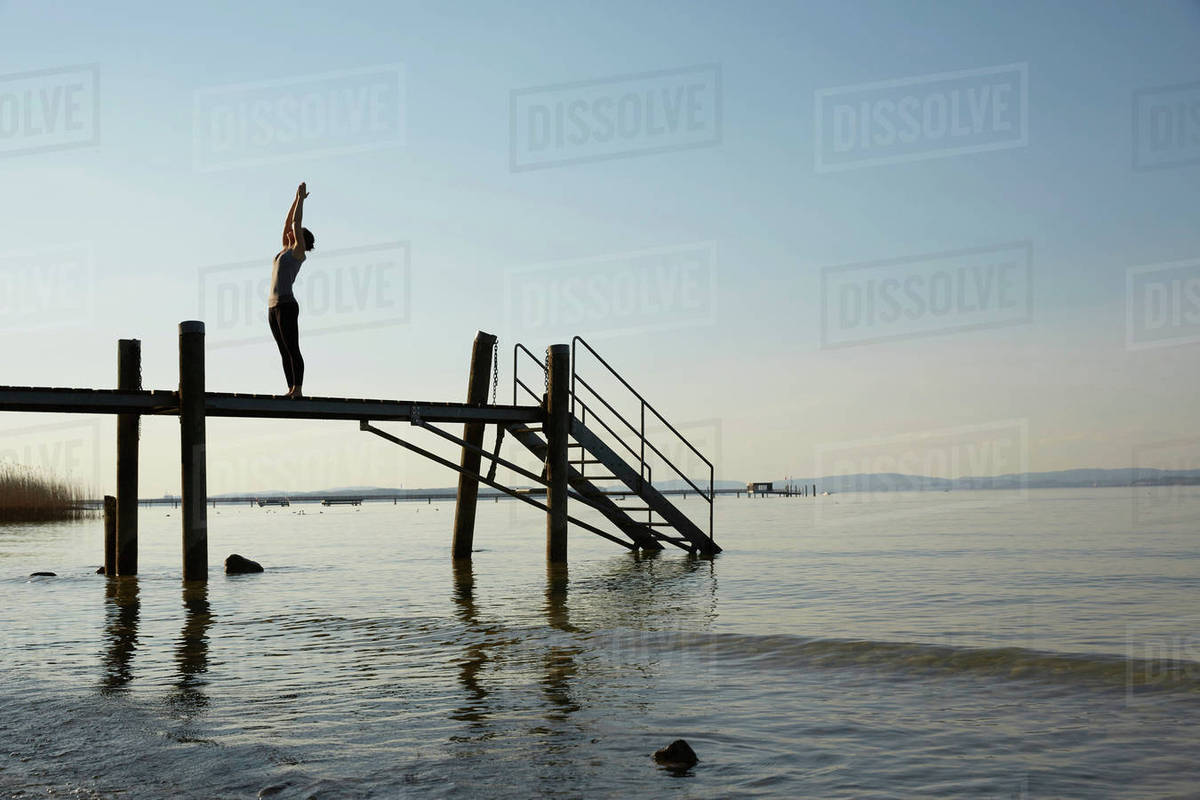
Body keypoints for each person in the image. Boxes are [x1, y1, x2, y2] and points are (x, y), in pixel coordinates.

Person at [269, 182, 313, 398]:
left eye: (296, 235)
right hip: (273, 307)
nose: (290, 234)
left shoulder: (297, 253)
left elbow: (296, 222)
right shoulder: (284, 250)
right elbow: (289, 223)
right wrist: (295, 199)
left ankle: (298, 389)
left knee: (292, 347)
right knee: (283, 350)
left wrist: (302, 200)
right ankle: (290, 388)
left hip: (286, 305)